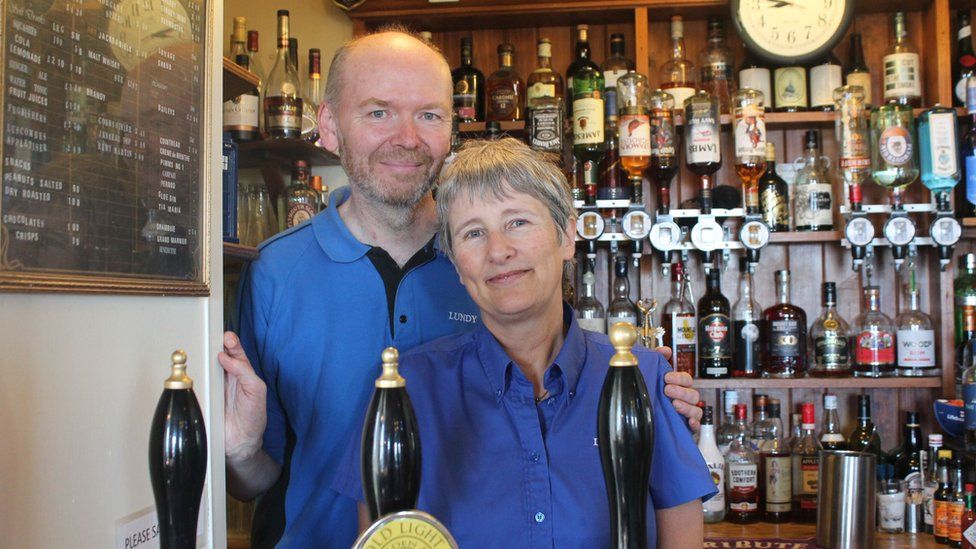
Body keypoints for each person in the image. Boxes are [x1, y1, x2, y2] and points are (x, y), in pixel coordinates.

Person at [217, 29, 703, 548]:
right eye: (379, 112)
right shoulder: (273, 272)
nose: (407, 137)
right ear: (330, 127)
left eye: (429, 114)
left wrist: (653, 412)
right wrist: (240, 451)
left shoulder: (494, 276)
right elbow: (253, 478)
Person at [334, 138, 714, 547]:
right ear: (456, 264)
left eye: (517, 222)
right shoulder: (406, 389)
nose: (499, 250)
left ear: (566, 235)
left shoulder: (644, 378)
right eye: (473, 233)